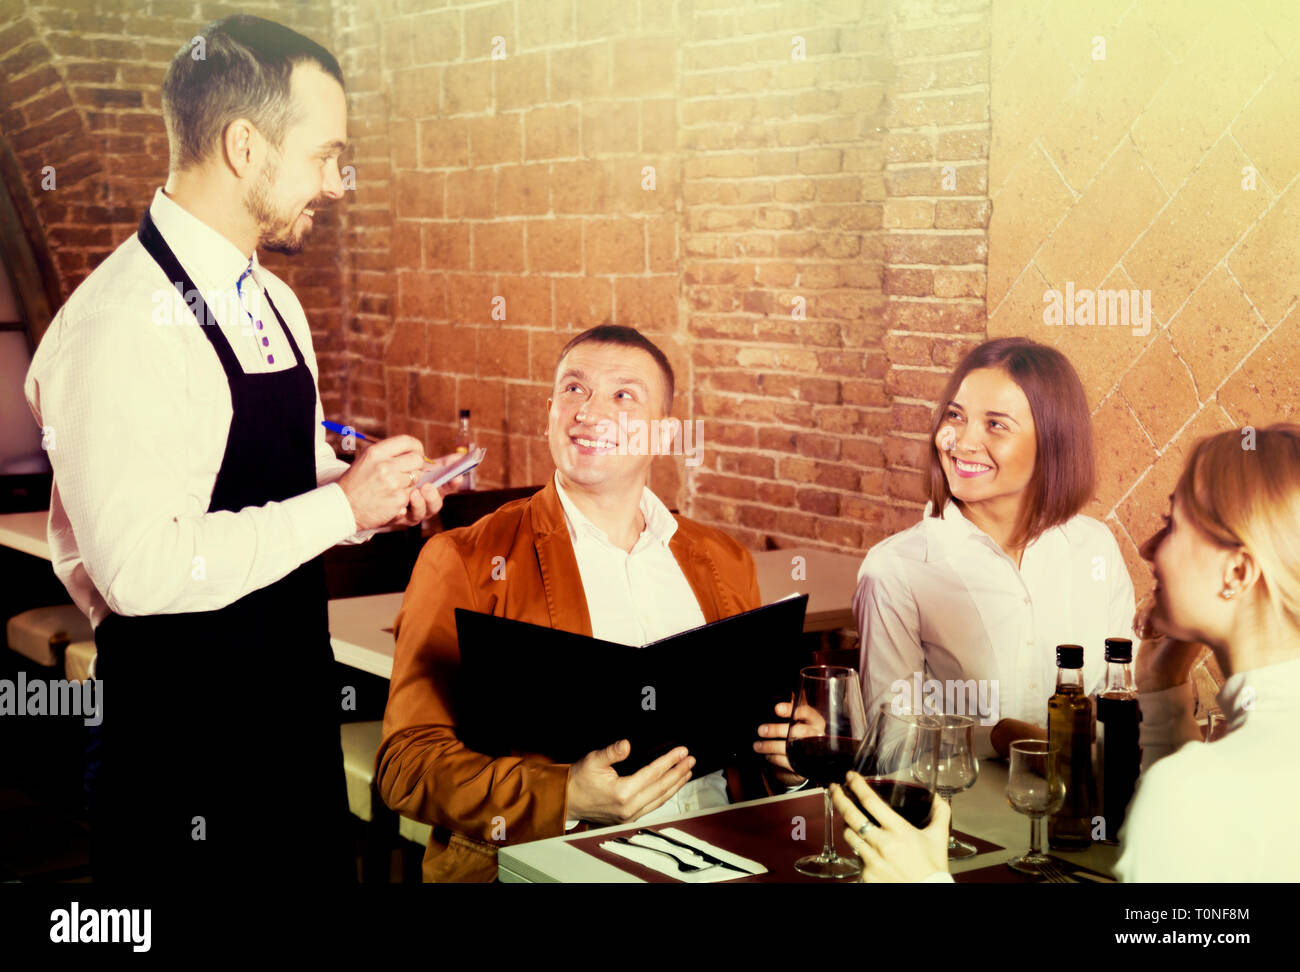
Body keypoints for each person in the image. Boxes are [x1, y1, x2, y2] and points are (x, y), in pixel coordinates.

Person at [24, 15, 451, 883]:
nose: (336, 184)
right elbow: (140, 569)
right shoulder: (120, 324)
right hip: (181, 753)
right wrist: (337, 505)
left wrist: (366, 498)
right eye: (324, 156)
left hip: (290, 724)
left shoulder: (275, 303)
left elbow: (277, 478)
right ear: (245, 146)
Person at [377, 325, 765, 882]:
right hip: (554, 866)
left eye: (623, 395)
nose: (589, 413)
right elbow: (408, 766)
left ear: (663, 434)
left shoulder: (726, 560)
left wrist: (786, 760)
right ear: (550, 413)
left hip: (723, 855)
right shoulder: (464, 559)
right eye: (575, 389)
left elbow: (748, 745)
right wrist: (565, 795)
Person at [831, 424, 1300, 882]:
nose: (1147, 547)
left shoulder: (1195, 794)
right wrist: (1163, 688)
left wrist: (923, 879)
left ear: (1238, 572)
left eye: (1172, 525)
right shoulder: (1214, 781)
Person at [857, 338, 1134, 758]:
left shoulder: (1095, 547)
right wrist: (999, 738)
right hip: (959, 802)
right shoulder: (895, 570)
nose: (961, 442)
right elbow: (891, 750)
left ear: (1054, 441)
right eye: (955, 416)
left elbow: (1123, 696)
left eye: (995, 425)